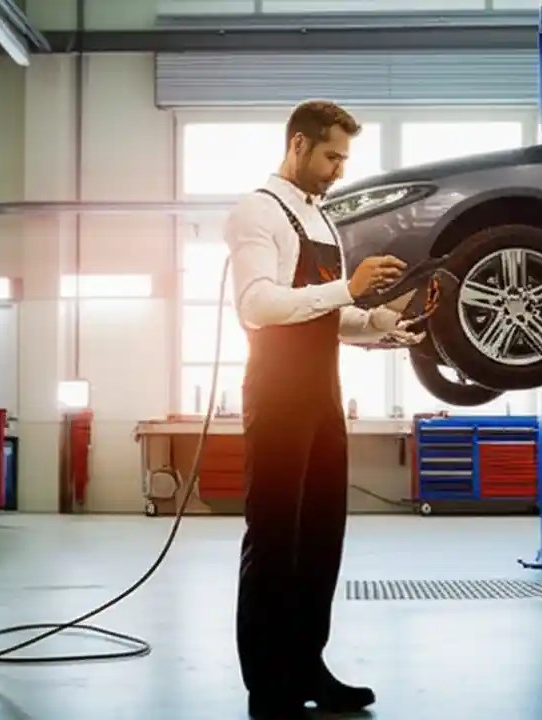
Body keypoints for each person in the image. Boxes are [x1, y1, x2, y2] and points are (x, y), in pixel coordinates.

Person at [223, 99, 423, 719]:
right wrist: (349, 288)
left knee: (320, 538)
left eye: (344, 158)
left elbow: (331, 317)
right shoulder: (259, 209)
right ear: (299, 145)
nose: (338, 169)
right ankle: (268, 684)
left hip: (321, 395)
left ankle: (307, 665)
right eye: (332, 155)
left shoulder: (322, 220)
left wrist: (385, 320)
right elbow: (258, 306)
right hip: (277, 394)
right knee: (276, 534)